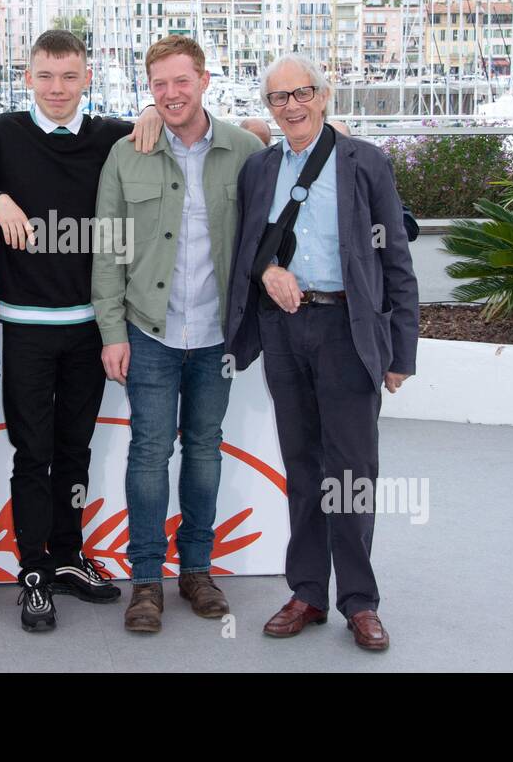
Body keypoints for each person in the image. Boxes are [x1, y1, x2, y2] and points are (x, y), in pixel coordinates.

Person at [226, 53, 418, 651]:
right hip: (284, 332)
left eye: (301, 93)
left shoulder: (365, 163)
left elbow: (396, 262)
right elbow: (248, 248)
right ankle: (307, 591)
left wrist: (400, 352)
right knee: (303, 468)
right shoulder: (259, 169)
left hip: (346, 332)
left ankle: (359, 601)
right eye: (278, 98)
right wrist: (268, 273)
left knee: (352, 473)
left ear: (324, 95)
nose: (291, 106)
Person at [0, 29, 158, 631]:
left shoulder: (108, 136)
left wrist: (153, 109)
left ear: (87, 78)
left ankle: (69, 557)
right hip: (24, 325)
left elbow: (168, 128)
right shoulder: (2, 132)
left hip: (92, 325)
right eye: (46, 76)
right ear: (28, 77)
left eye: (69, 76)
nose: (57, 89)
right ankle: (33, 572)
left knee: (75, 449)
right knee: (33, 453)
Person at [92, 36, 263, 633]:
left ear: (205, 80)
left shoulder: (246, 150)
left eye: (180, 82)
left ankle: (197, 570)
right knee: (148, 452)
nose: (169, 94)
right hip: (149, 332)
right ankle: (145, 581)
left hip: (217, 335)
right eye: (158, 84)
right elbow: (108, 248)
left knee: (204, 452)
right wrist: (112, 330)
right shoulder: (126, 153)